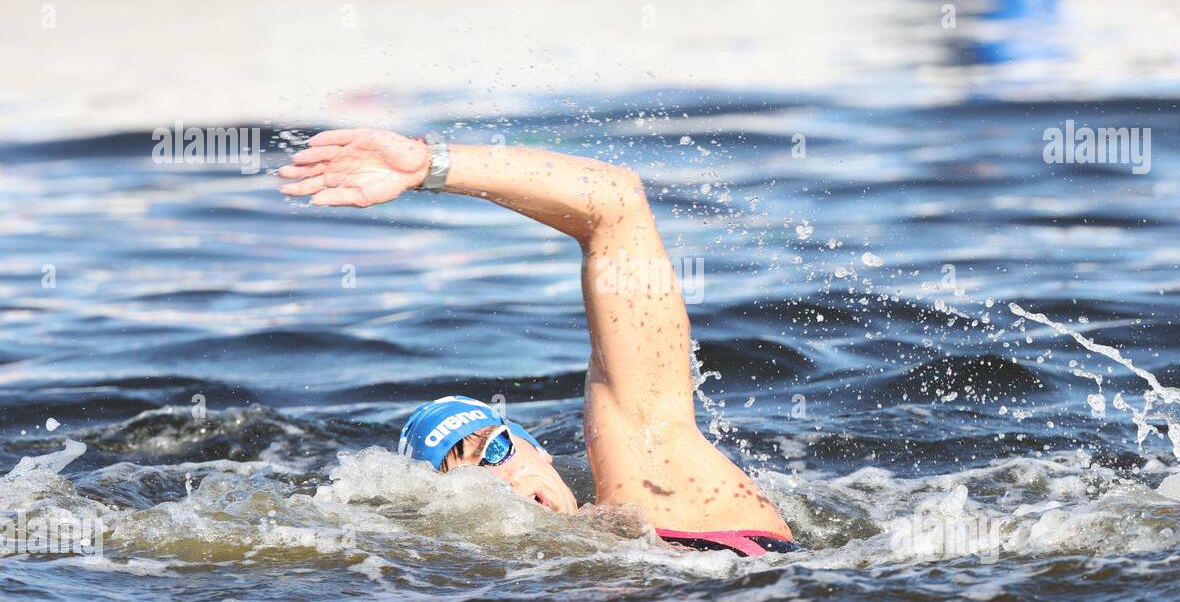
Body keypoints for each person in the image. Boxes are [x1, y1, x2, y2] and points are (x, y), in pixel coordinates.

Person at [279, 128, 798, 557]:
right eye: (467, 481)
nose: (502, 483)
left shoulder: (662, 485)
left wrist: (430, 168)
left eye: (497, 449)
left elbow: (616, 206)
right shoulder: (499, 584)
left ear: (540, 450)